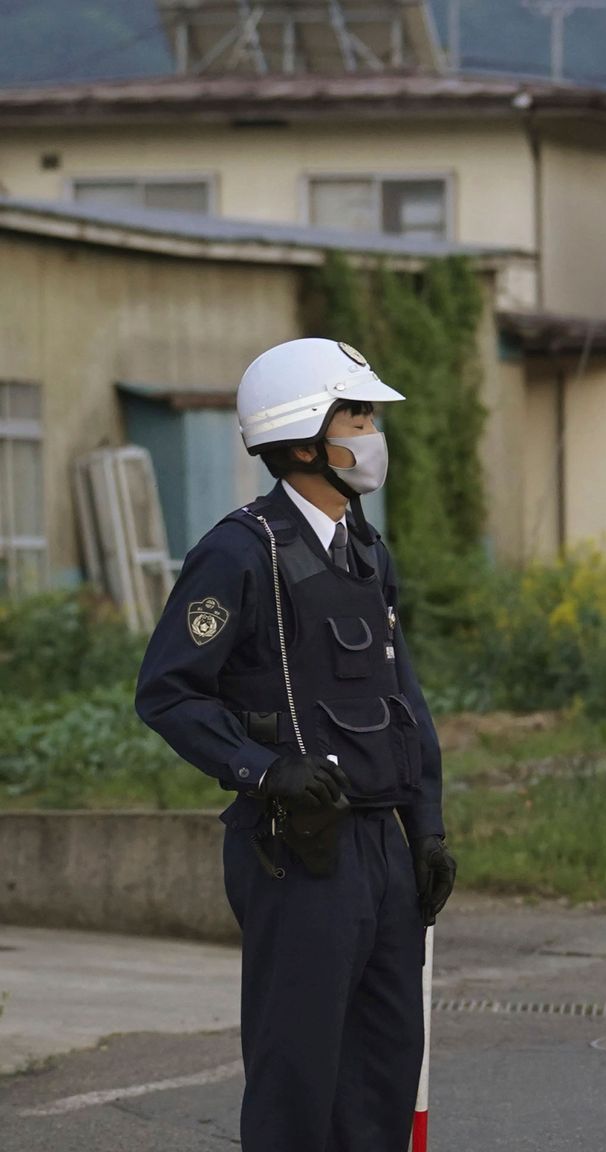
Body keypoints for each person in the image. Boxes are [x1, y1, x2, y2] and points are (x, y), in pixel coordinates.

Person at [135, 338, 457, 1152]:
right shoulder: (242, 550)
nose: (374, 430)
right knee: (299, 1076)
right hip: (298, 850)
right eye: (358, 414)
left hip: (381, 848)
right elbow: (168, 691)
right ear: (304, 438)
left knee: (385, 1069)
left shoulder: (364, 550)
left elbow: (401, 705)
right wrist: (264, 770)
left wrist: (427, 828)